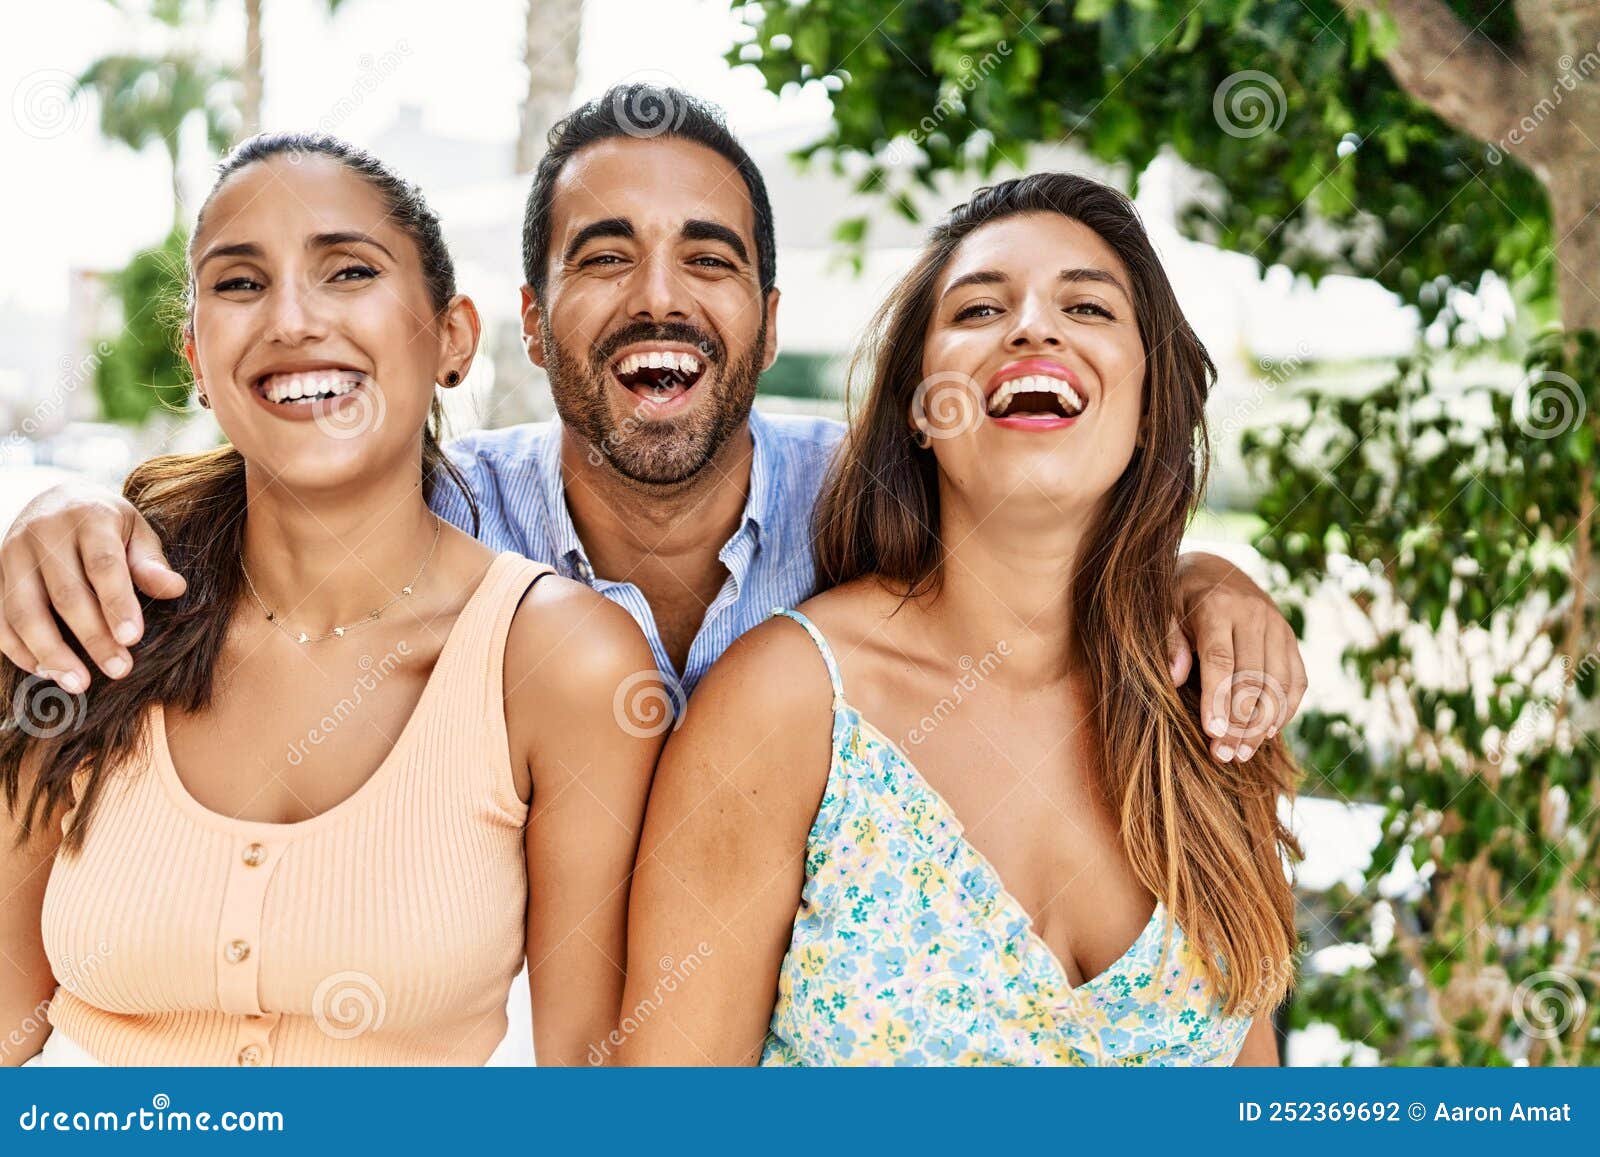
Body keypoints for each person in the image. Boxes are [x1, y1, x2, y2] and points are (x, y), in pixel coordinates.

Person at [0, 85, 1304, 770]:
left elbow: (1050, 530)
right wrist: (57, 511)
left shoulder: (878, 502)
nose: (661, 298)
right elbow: (250, 505)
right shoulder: (446, 522)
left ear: (768, 308)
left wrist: (1203, 575)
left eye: (710, 260)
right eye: (605, 257)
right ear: (527, 315)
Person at [0, 134, 661, 1067]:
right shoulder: (89, 614)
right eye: (239, 284)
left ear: (453, 336)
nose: (293, 319)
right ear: (197, 356)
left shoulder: (562, 663)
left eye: (348, 270)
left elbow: (589, 1084)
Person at [616, 172, 1301, 1066]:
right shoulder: (791, 703)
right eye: (980, 309)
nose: (1032, 327)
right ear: (921, 410)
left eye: (1088, 308)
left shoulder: (1205, 704)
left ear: (1147, 408)